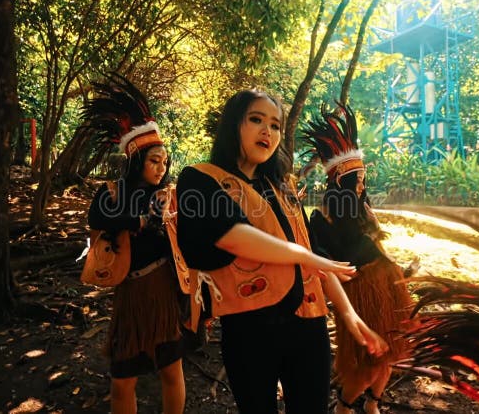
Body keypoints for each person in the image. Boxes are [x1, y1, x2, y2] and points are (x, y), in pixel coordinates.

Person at [173, 89, 387, 414]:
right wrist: (304, 256)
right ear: (234, 125)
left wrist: (348, 314)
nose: (267, 132)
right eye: (256, 120)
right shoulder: (201, 179)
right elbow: (232, 235)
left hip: (309, 327)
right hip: (250, 330)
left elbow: (314, 254)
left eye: (275, 125)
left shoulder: (283, 188)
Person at [83, 75, 186, 414]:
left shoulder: (169, 197)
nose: (163, 167)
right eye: (155, 160)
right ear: (137, 159)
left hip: (163, 292)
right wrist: (139, 221)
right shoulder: (113, 193)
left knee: (172, 370)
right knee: (122, 380)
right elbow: (97, 218)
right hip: (129, 293)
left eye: (165, 161)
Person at [303, 103, 414, 414]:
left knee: (389, 355)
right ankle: (344, 406)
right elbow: (338, 257)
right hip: (361, 290)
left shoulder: (359, 207)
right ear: (340, 179)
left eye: (364, 177)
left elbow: (372, 243)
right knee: (370, 362)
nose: (363, 184)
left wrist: (399, 269)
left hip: (386, 284)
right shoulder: (326, 216)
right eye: (358, 179)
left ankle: (373, 405)